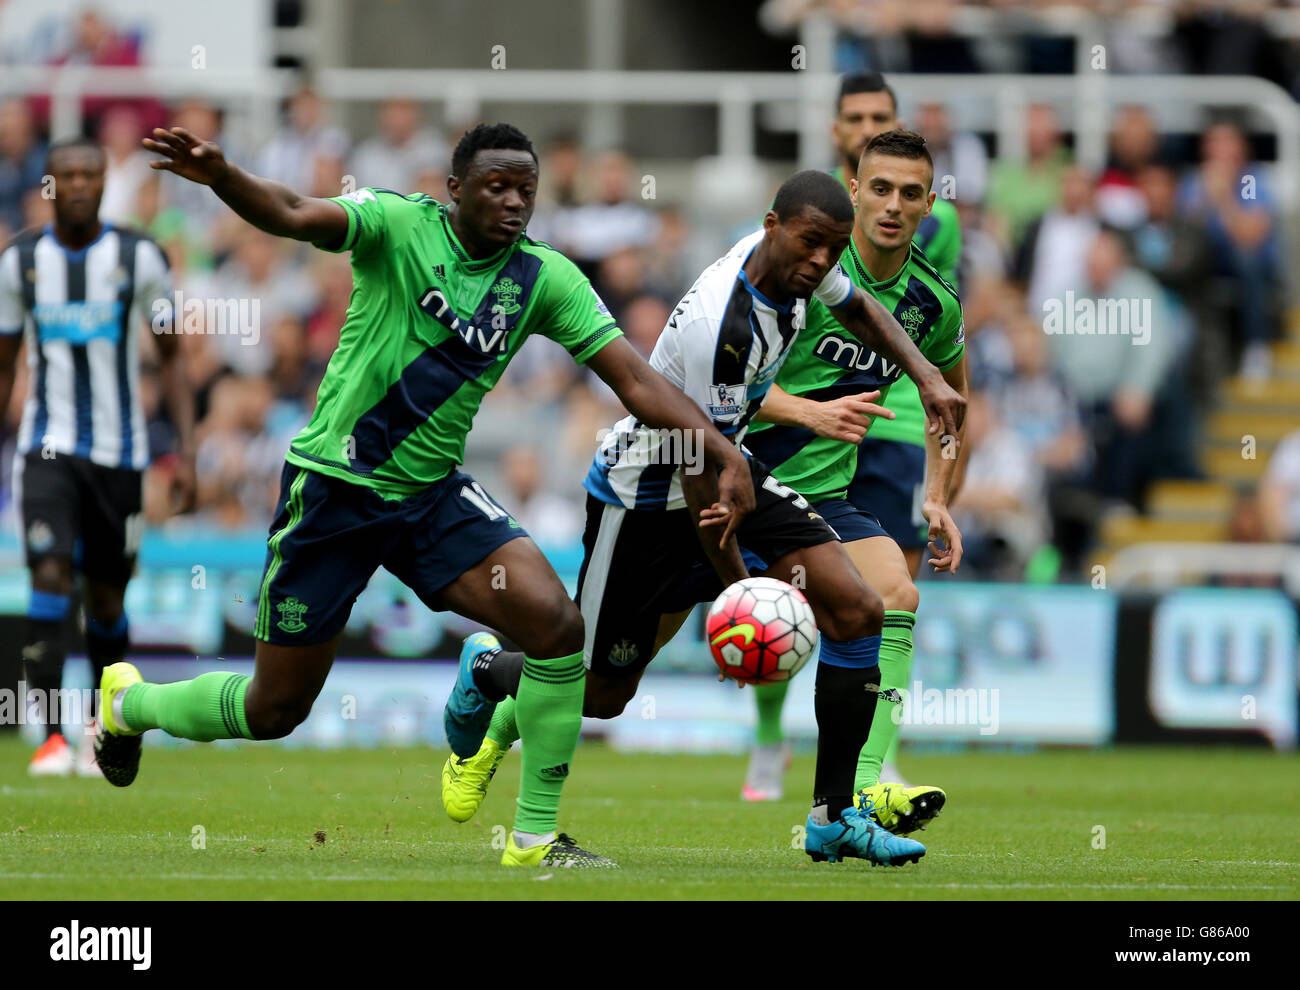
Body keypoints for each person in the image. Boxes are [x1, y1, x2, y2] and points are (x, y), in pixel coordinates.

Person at [95, 121, 754, 870]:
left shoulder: (545, 279)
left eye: (525, 191)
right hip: (335, 492)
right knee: (273, 708)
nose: (513, 203)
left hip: (431, 499)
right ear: (455, 190)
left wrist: (722, 450)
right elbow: (291, 210)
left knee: (557, 628)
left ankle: (534, 840)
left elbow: (635, 381)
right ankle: (131, 704)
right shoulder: (398, 224)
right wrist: (224, 177)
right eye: (496, 187)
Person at [441, 167, 965, 867]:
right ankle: (489, 670)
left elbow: (862, 307)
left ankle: (834, 816)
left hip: (734, 470)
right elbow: (698, 473)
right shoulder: (728, 323)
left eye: (832, 250)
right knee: (599, 691)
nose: (821, 262)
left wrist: (927, 377)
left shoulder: (804, 264)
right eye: (811, 245)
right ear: (772, 226)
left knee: (857, 608)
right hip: (647, 498)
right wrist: (740, 597)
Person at [741, 73, 966, 804]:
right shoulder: (796, 267)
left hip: (840, 480)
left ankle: (869, 784)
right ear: (854, 187)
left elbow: (949, 401)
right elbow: (712, 386)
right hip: (728, 478)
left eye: (911, 195)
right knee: (612, 672)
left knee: (895, 596)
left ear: (931, 205)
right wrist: (807, 413)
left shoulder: (934, 301)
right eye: (881, 191)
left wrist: (939, 496)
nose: (894, 206)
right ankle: (498, 692)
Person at [0, 136, 194, 776]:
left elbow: (172, 357)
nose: (79, 185)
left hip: (121, 454)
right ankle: (50, 737)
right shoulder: (20, 261)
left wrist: (187, 453)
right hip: (45, 447)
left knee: (107, 601)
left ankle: (102, 730)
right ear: (50, 184)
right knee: (50, 576)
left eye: (90, 174)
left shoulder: (139, 257)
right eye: (67, 175)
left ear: (105, 181)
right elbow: (4, 366)